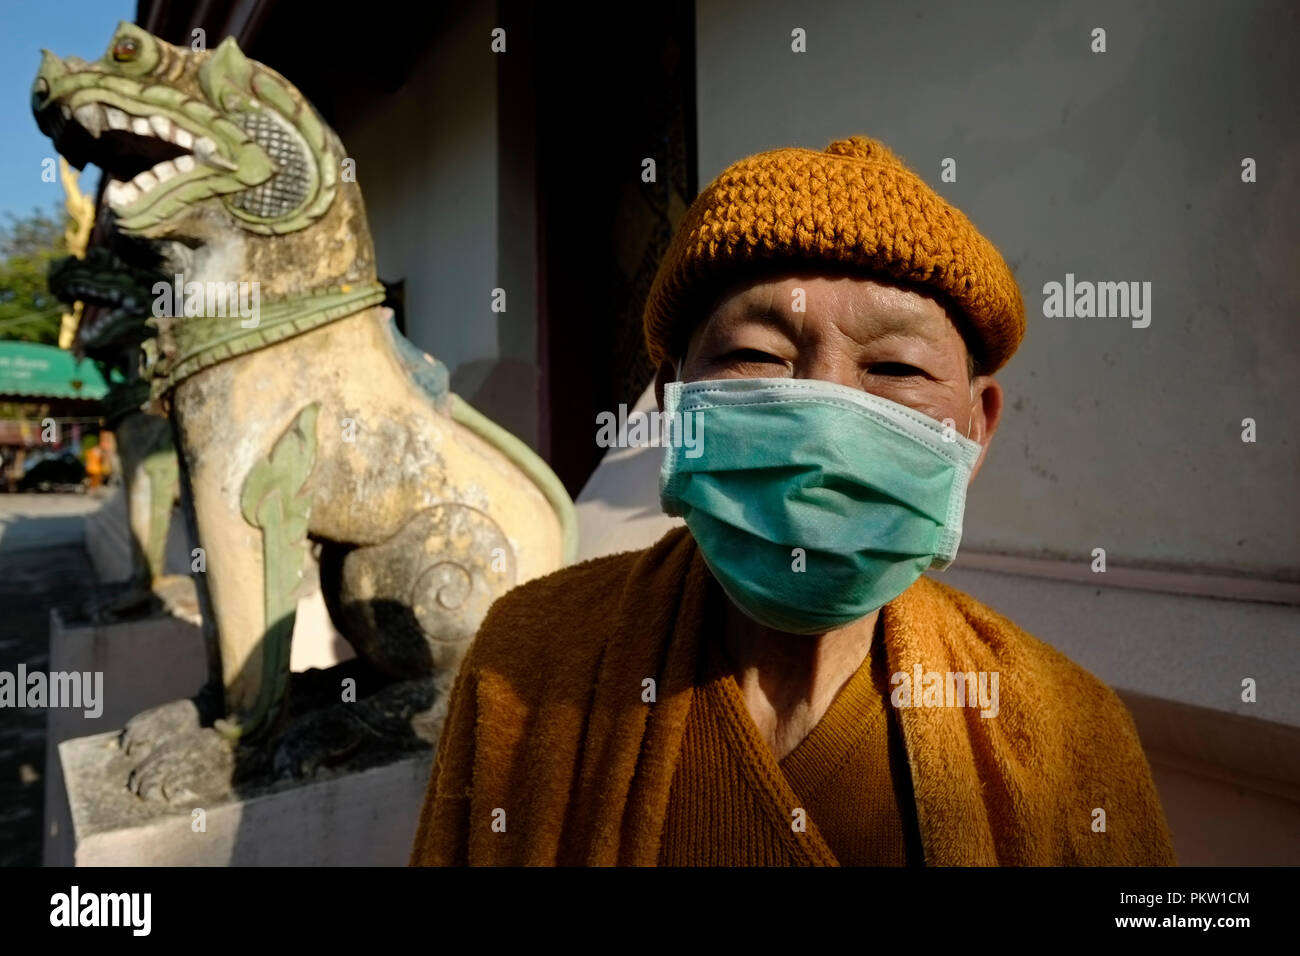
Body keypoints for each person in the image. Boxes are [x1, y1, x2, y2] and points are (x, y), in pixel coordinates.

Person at [410, 135, 1176, 866]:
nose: (824, 422)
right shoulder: (529, 663)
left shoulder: (1073, 733)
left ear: (976, 428)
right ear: (676, 405)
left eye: (896, 368)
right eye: (756, 355)